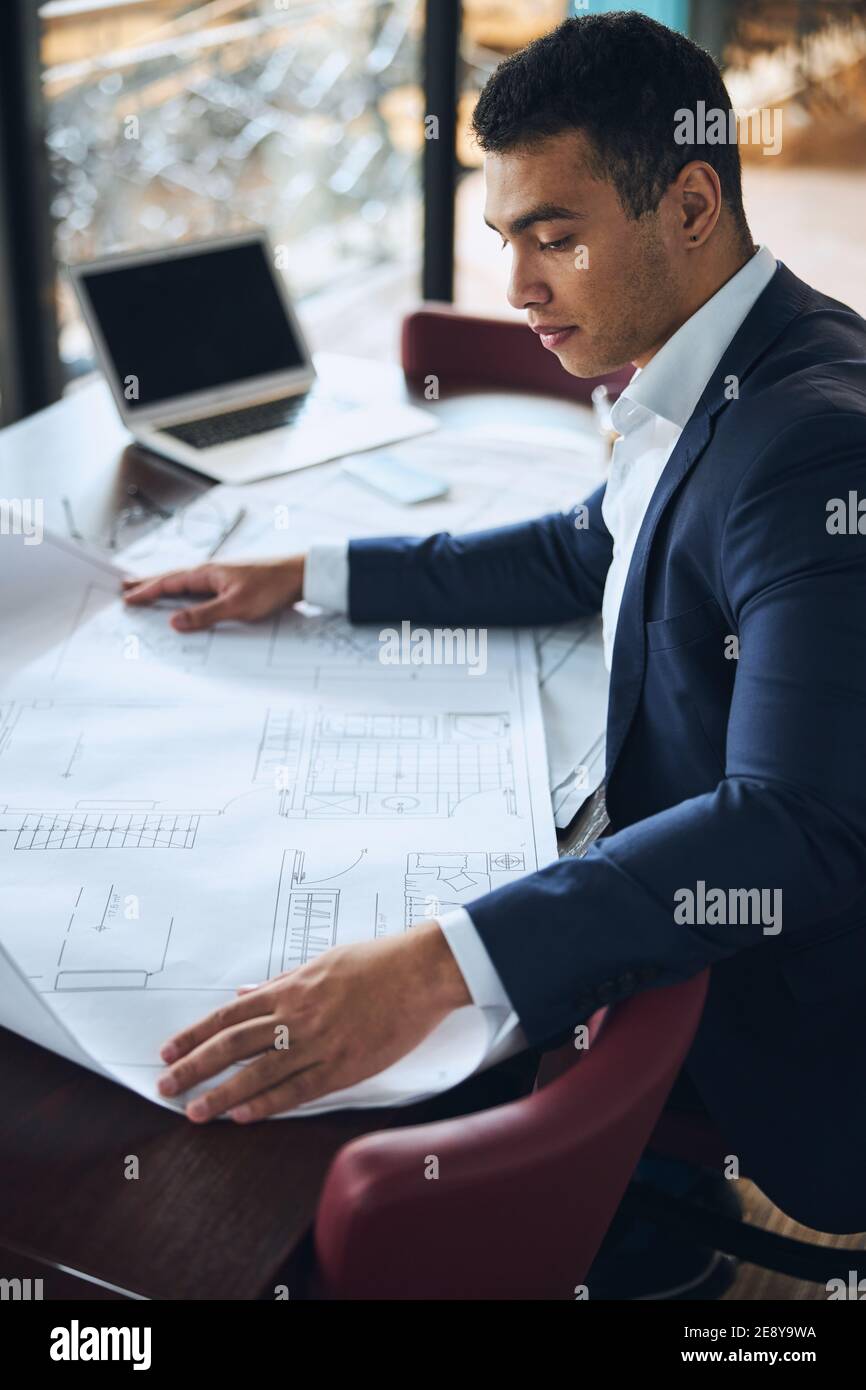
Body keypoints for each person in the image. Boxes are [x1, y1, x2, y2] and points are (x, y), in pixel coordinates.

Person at [123, 12, 866, 1296]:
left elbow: (796, 827)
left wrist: (434, 967)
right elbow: (588, 547)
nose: (518, 289)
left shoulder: (810, 449)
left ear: (691, 203)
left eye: (555, 238)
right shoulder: (721, 357)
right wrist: (308, 577)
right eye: (505, 240)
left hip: (775, 1024)